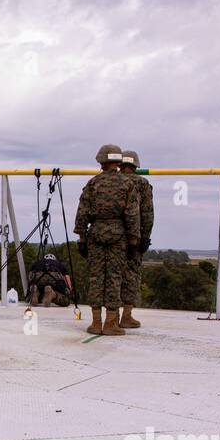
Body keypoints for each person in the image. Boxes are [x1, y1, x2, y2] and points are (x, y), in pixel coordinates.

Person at [74, 144, 140, 336]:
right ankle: (111, 322)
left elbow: (82, 213)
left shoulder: (93, 183)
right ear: (118, 161)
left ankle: (95, 323)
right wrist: (134, 240)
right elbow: (132, 214)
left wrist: (82, 238)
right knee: (114, 277)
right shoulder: (128, 184)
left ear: (101, 161)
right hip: (118, 235)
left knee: (95, 276)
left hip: (95, 233)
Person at [118, 151, 153, 327]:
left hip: (112, 235)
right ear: (136, 166)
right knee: (131, 275)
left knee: (112, 274)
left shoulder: (112, 181)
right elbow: (147, 213)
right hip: (134, 236)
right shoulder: (142, 183)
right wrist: (145, 236)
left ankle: (110, 316)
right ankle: (126, 315)